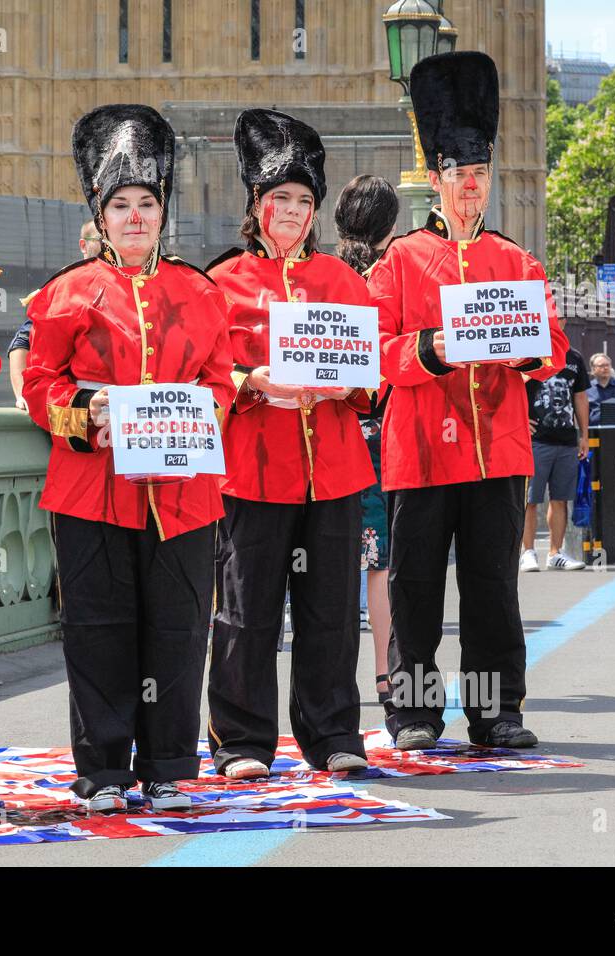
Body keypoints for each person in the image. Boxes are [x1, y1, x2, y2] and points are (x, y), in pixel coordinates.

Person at [22, 105, 234, 811]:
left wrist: (195, 412)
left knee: (178, 629)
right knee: (98, 630)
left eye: (147, 203)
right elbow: (39, 384)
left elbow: (219, 382)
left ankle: (171, 765)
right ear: (101, 216)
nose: (136, 216)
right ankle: (105, 770)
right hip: (91, 490)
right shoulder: (64, 294)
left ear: (162, 211)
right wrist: (86, 418)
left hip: (183, 494)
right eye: (122, 205)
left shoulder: (202, 293)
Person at [367, 51, 568, 751]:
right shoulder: (397, 260)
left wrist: (525, 351)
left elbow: (555, 347)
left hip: (498, 453)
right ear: (436, 178)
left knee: (492, 592)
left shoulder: (518, 262)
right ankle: (415, 714)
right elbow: (376, 356)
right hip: (419, 451)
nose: (471, 187)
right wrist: (434, 350)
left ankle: (496, 713)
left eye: (481, 174)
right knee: (417, 592)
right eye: (459, 174)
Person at [206, 108, 377, 779]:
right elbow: (201, 371)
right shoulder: (221, 282)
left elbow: (371, 378)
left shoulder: (342, 280)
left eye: (305, 202)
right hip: (252, 472)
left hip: (332, 472)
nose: (294, 212)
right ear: (257, 204)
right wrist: (251, 379)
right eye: (282, 199)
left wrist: (348, 387)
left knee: (331, 614)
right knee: (246, 615)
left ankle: (333, 733)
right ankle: (243, 742)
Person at [334, 173, 399, 705]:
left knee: (327, 562)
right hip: (377, 432)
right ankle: (384, 673)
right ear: (392, 227)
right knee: (378, 566)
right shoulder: (390, 276)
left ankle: (329, 680)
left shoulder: (326, 276)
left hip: (325, 429)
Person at [9, 221, 102, 410]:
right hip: (80, 412)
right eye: (102, 240)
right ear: (83, 246)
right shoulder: (65, 286)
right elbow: (23, 340)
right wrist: (22, 395)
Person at [521, 344, 590, 572]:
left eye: (561, 315)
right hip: (535, 440)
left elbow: (580, 396)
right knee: (531, 499)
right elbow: (510, 386)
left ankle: (555, 553)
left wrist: (584, 435)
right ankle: (528, 552)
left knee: (560, 499)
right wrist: (518, 420)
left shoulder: (574, 356)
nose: (558, 319)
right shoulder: (526, 349)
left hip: (566, 440)